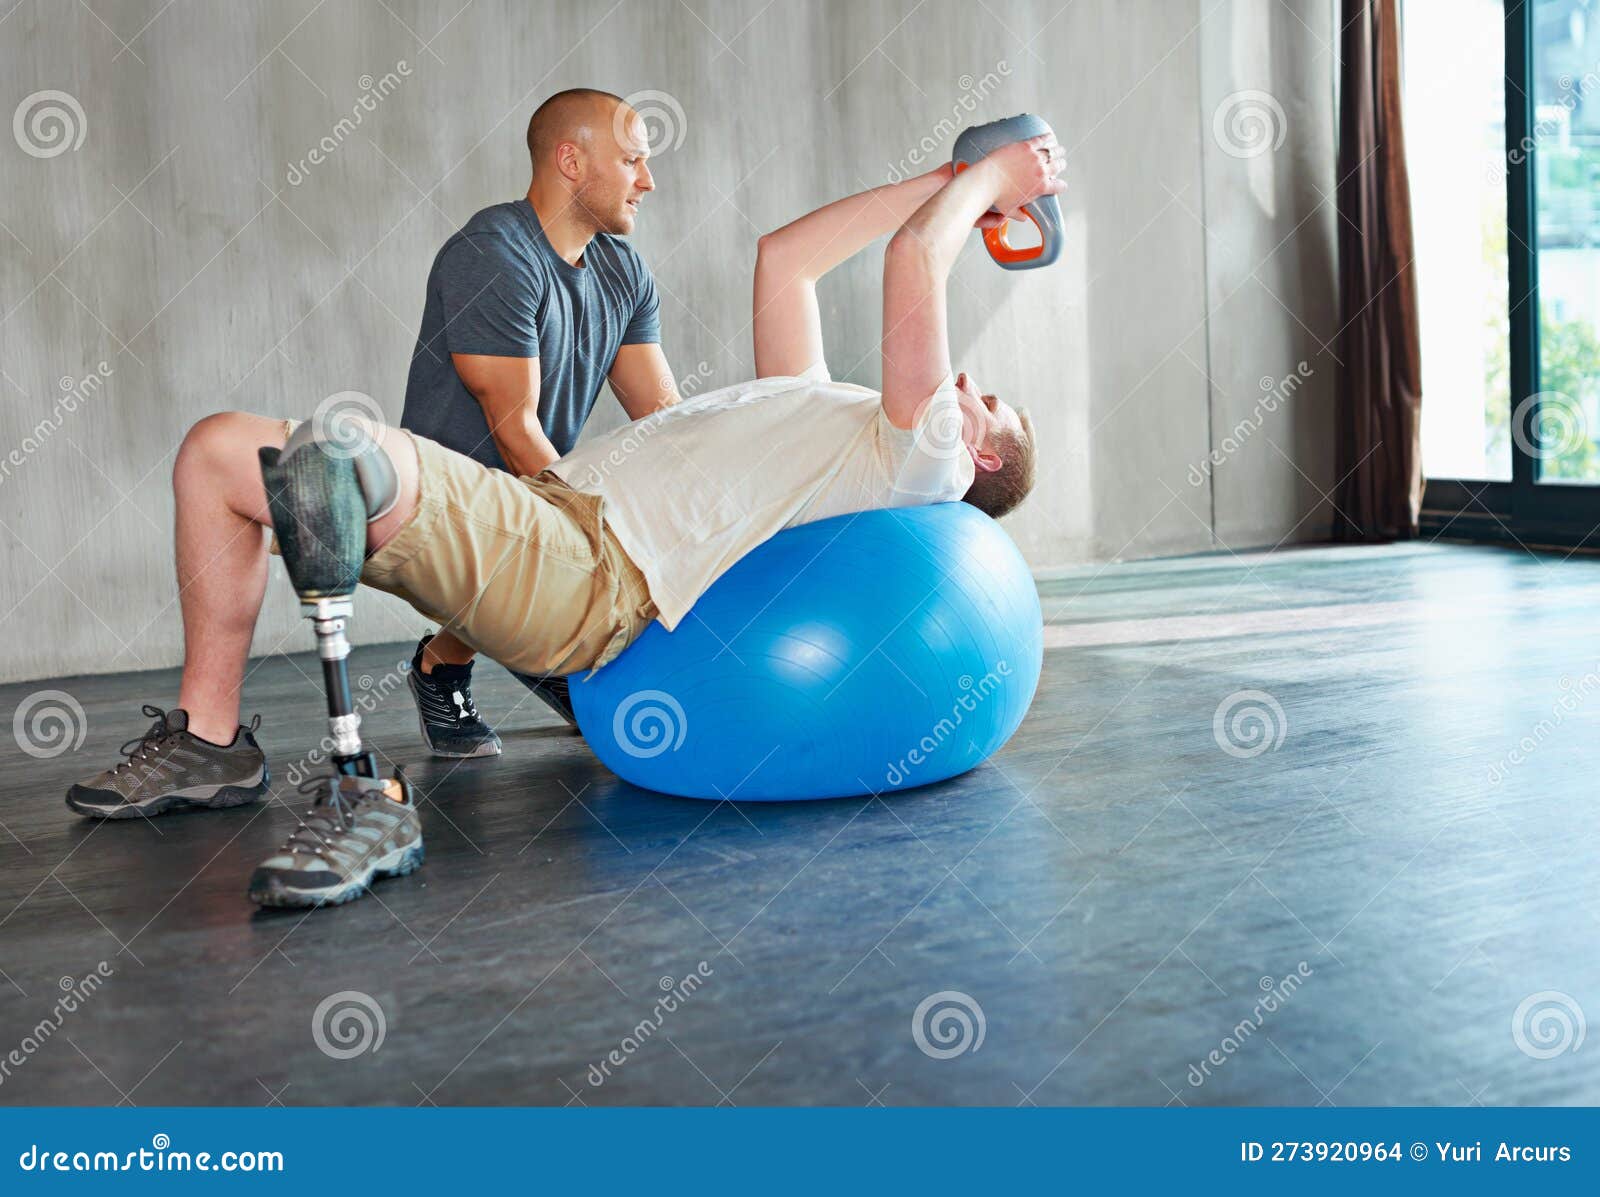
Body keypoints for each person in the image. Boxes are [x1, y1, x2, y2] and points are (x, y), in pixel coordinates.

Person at [63, 128, 1064, 909]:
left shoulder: (920, 460)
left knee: (338, 452)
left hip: (583, 570)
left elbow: (912, 266)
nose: (968, 385)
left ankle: (365, 795)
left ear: (977, 455)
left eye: (988, 404)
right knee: (217, 457)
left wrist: (994, 183)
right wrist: (949, 175)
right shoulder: (821, 412)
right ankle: (209, 740)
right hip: (541, 520)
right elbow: (787, 260)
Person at [401, 88, 680, 757]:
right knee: (559, 548)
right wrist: (588, 553)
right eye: (633, 160)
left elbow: (662, 419)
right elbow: (514, 429)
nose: (649, 180)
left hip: (533, 483)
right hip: (444, 502)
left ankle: (542, 648)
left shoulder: (623, 270)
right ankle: (463, 660)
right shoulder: (492, 255)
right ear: (571, 162)